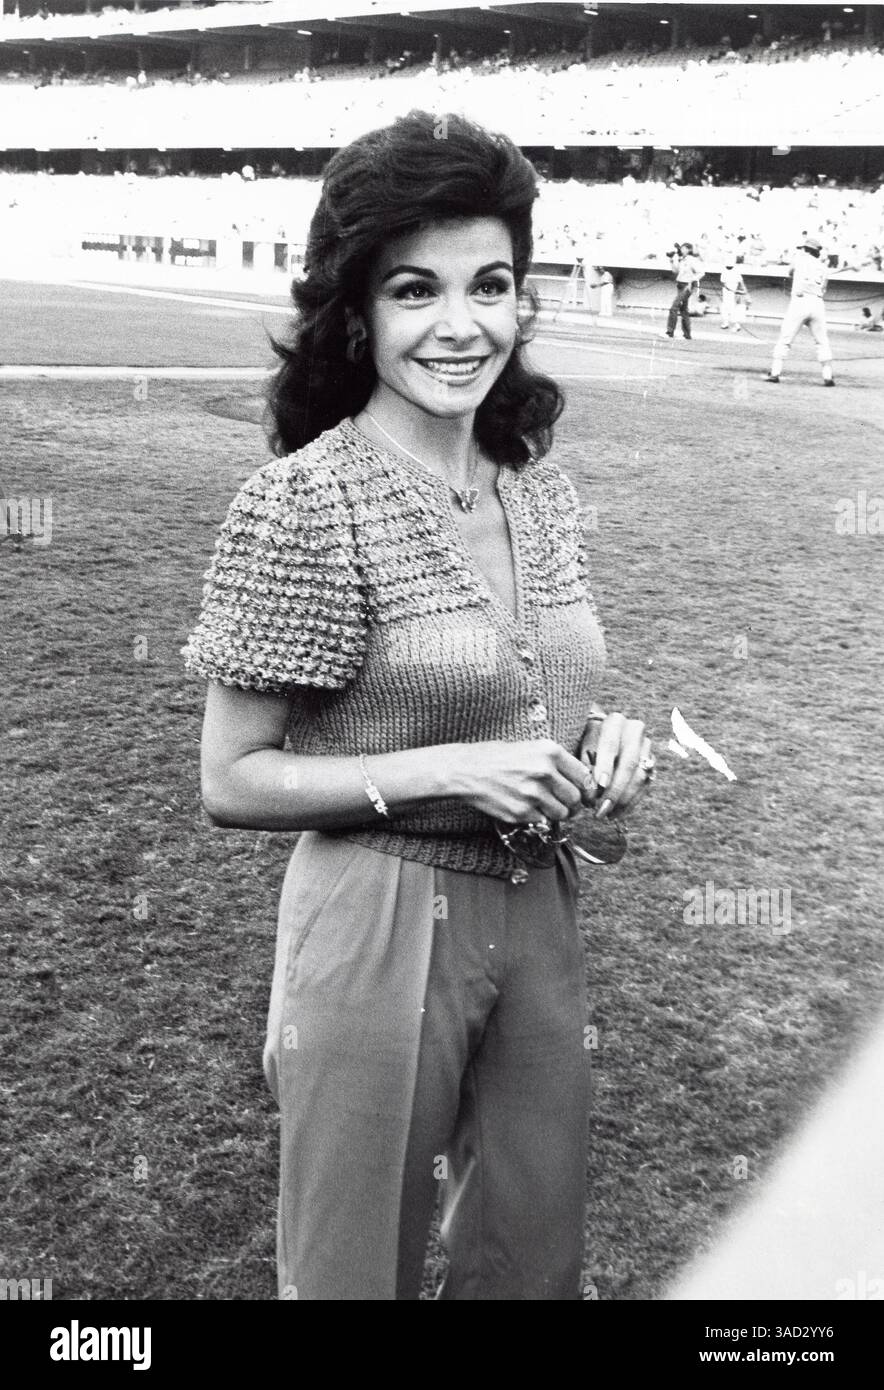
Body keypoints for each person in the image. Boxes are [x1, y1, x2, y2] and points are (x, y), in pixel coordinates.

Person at [181, 110, 654, 1301]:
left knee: (529, 1259)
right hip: (376, 918)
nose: (462, 324)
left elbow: (538, 695)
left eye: (489, 283)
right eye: (414, 289)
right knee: (351, 1273)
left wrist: (599, 751)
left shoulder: (533, 491)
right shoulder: (305, 501)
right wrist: (452, 768)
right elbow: (232, 778)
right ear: (357, 311)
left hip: (538, 910)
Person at [766, 236, 835, 385]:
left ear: (806, 250)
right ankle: (828, 376)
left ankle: (775, 373)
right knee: (822, 342)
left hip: (800, 301)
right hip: (817, 302)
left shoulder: (799, 259)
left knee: (785, 339)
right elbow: (824, 288)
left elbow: (790, 272)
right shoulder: (823, 267)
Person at [664, 241, 703, 340]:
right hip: (680, 284)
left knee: (674, 307)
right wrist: (672, 261)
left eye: (683, 248)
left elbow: (701, 273)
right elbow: (675, 271)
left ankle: (670, 332)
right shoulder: (682, 259)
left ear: (688, 249)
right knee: (684, 310)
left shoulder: (692, 260)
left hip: (687, 285)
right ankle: (687, 334)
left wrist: (691, 281)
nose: (681, 250)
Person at [719, 260, 748, 331]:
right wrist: (733, 290)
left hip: (732, 295)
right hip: (727, 293)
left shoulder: (736, 273)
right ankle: (726, 323)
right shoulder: (724, 272)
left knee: (731, 310)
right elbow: (724, 284)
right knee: (724, 309)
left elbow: (741, 283)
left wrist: (744, 291)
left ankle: (737, 325)